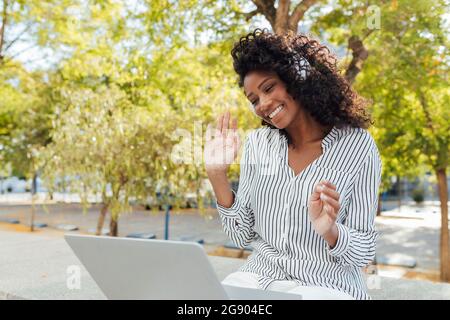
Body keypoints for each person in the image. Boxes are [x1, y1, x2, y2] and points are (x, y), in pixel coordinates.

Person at [204, 29, 382, 300]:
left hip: (327, 287)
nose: (263, 104)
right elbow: (241, 236)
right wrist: (217, 175)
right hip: (259, 279)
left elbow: (364, 250)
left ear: (295, 78)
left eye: (268, 88)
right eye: (253, 100)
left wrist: (330, 231)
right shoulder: (258, 144)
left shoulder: (358, 146)